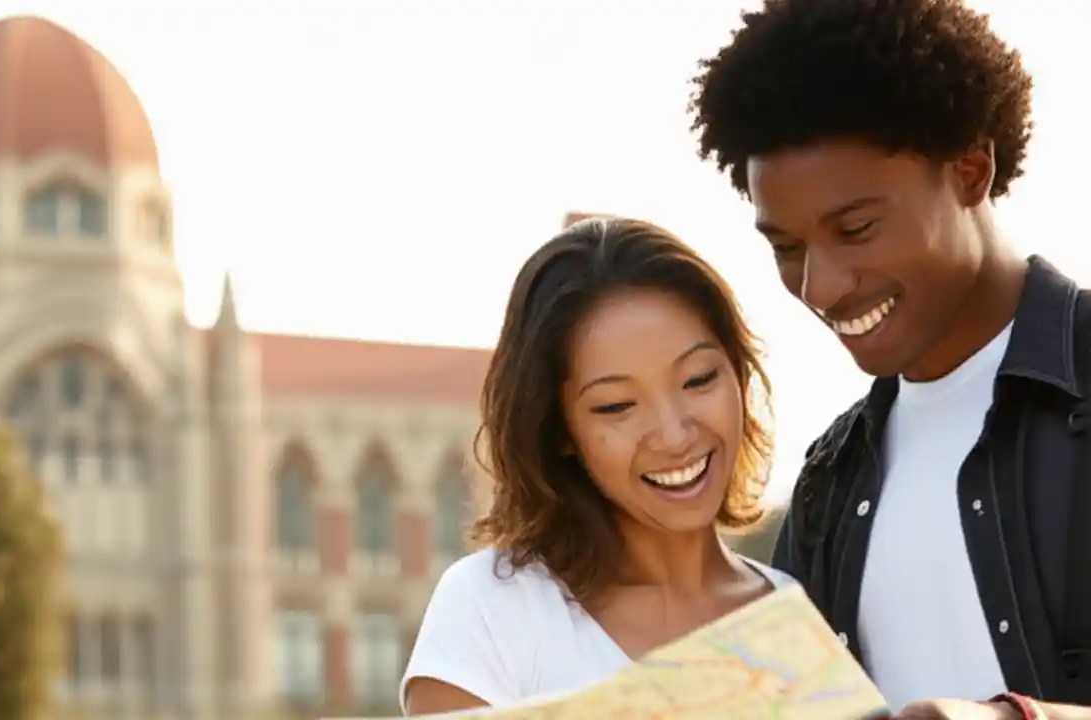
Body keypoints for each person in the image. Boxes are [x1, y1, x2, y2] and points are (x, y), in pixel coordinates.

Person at [687, 1, 1091, 719]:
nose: (820, 286)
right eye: (786, 247)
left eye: (856, 228)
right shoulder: (828, 479)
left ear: (970, 170)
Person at [400, 218, 794, 716]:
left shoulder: (794, 615)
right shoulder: (493, 609)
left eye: (698, 379)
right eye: (616, 406)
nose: (674, 436)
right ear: (561, 431)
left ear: (738, 373)